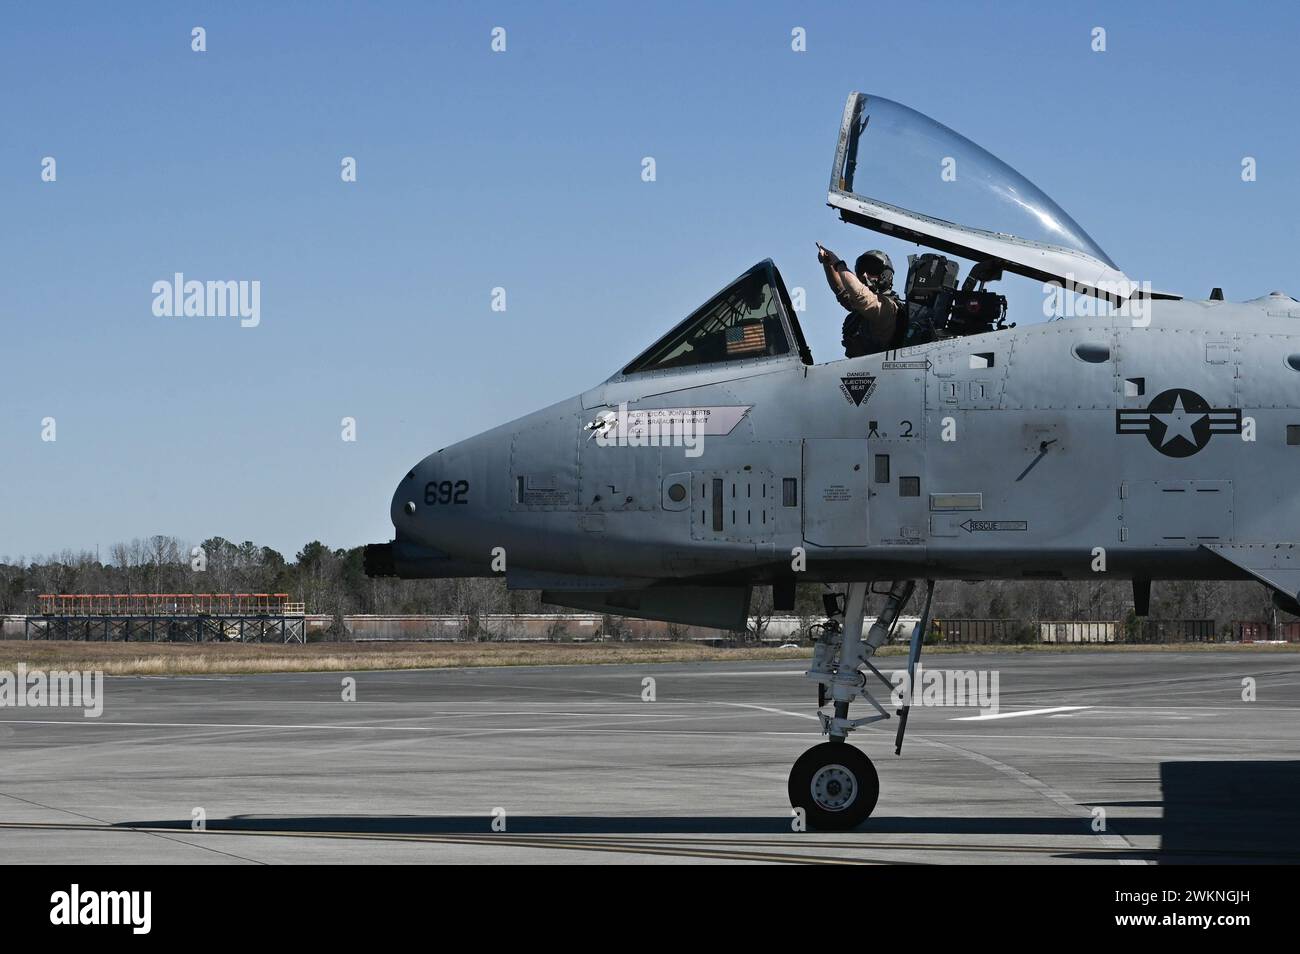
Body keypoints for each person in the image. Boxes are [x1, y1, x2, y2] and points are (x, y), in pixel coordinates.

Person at [817, 244, 904, 357]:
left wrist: (838, 264)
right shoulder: (864, 306)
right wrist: (828, 263)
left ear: (885, 274)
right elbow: (842, 292)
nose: (864, 274)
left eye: (871, 269)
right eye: (861, 270)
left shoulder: (887, 308)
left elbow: (860, 295)